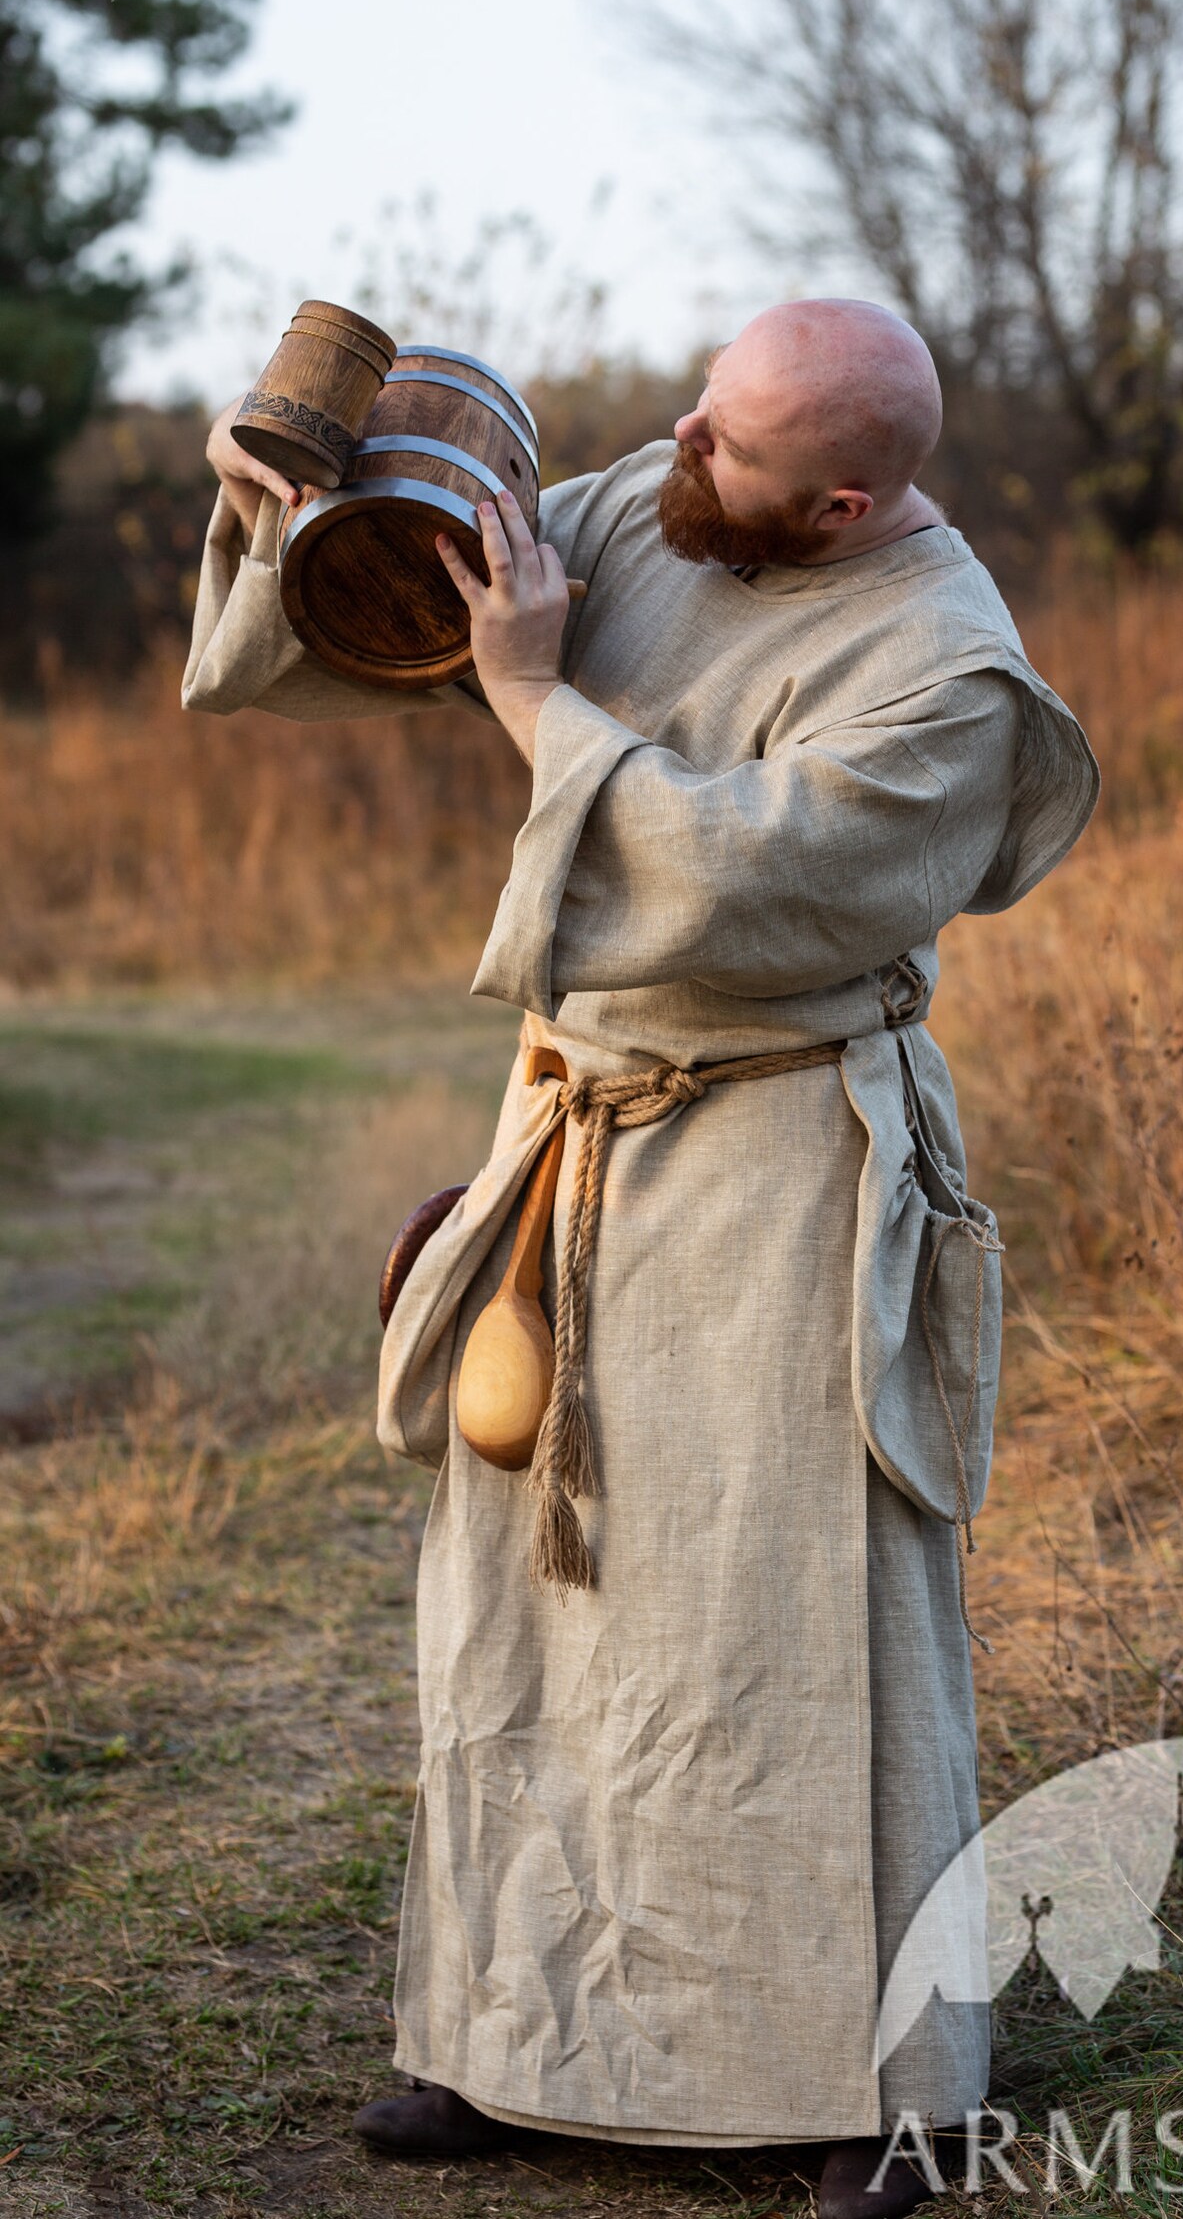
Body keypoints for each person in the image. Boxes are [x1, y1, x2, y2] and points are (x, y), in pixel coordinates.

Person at [188, 298, 1098, 2219]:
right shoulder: (645, 510)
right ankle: (516, 2043)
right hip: (579, 1144)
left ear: (842, 500)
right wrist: (291, 507)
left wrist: (537, 706)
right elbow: (392, 612)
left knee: (796, 1627)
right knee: (534, 1611)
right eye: (696, 406)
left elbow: (746, 880)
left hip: (783, 1167)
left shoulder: (946, 669)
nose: (676, 445)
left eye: (727, 444)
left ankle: (879, 2088)